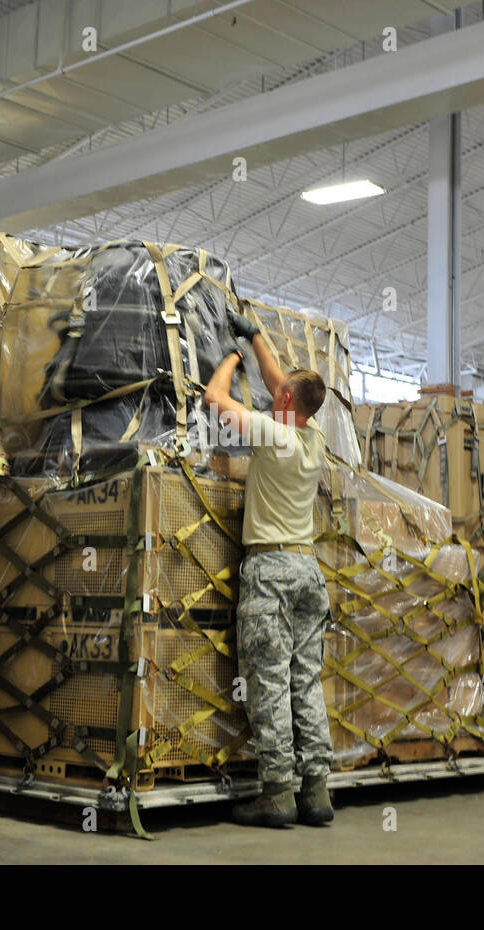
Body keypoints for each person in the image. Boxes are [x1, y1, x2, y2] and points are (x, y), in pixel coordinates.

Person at [202, 313, 334, 828]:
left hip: (271, 571)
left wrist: (231, 355)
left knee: (270, 680)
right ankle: (316, 789)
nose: (274, 394)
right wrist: (257, 334)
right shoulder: (311, 436)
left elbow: (215, 401)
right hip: (307, 571)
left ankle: (277, 792)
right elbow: (289, 388)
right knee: (306, 679)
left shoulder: (272, 435)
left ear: (283, 407)